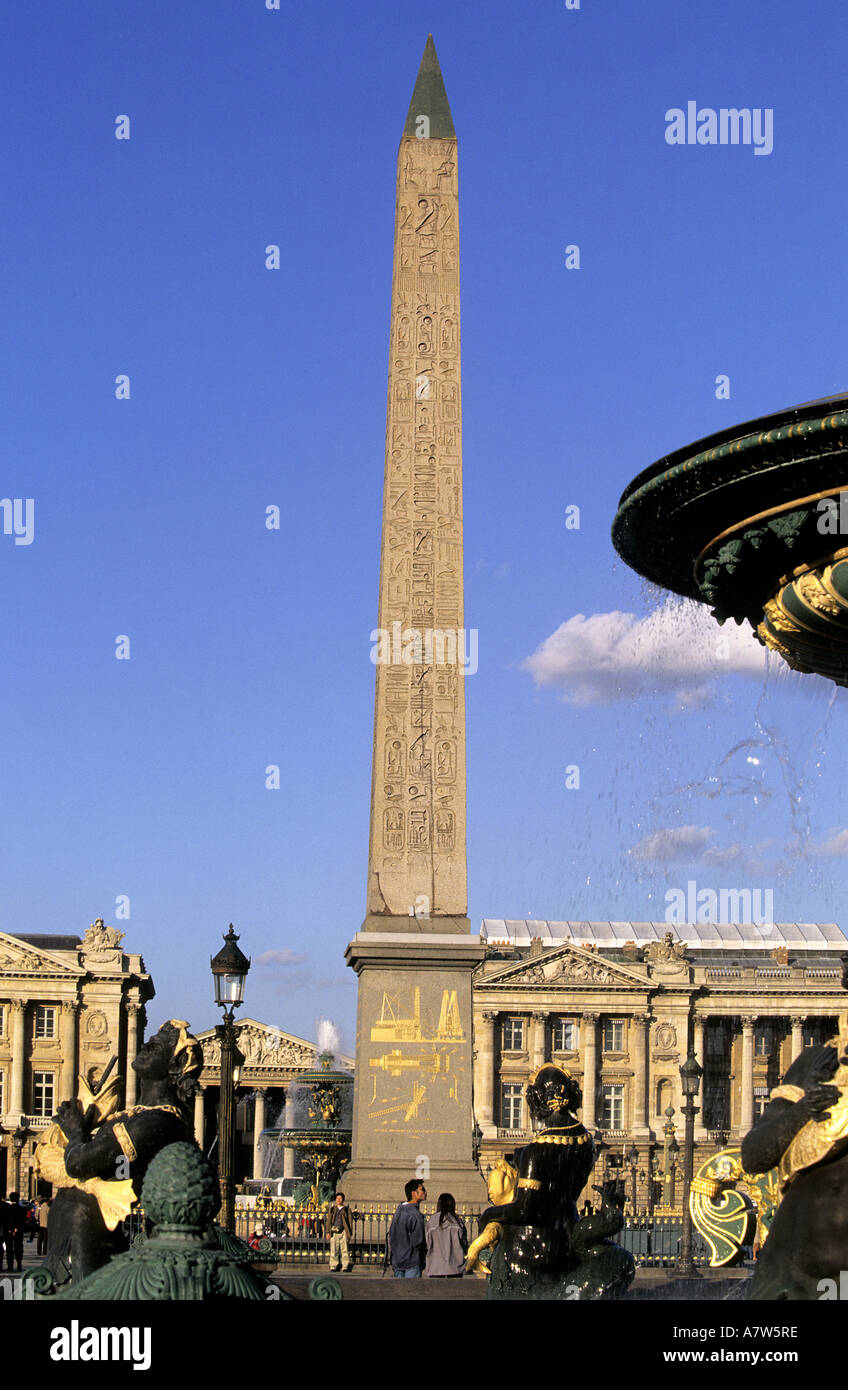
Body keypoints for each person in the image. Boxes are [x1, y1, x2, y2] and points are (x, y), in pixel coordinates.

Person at [36, 1018, 202, 1287]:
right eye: (149, 1042)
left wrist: (76, 1131)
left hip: (89, 1238)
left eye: (157, 1048)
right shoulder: (134, 1115)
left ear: (174, 1066)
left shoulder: (157, 1121)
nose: (147, 1046)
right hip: (78, 1233)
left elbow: (78, 1164)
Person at [388, 1178, 426, 1278]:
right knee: (411, 1291)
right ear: (414, 1193)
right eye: (422, 1189)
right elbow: (418, 1241)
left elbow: (392, 1235)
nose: (425, 1192)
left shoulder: (399, 1211)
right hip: (412, 1261)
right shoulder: (415, 1215)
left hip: (397, 1260)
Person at [424, 1192, 466, 1277]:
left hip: (435, 1267)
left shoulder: (432, 1221)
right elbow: (463, 1243)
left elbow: (428, 1243)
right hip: (455, 1267)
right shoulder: (457, 1221)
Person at [327, 1191, 353, 1272]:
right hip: (334, 1230)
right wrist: (328, 1232)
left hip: (343, 1231)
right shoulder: (332, 1209)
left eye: (340, 1198)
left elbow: (350, 1222)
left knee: (344, 1249)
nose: (338, 1200)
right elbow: (329, 1221)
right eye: (337, 1198)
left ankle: (345, 1266)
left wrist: (349, 1233)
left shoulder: (347, 1210)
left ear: (343, 1200)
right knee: (334, 1249)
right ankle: (333, 1266)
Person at [4, 1193, 25, 1272]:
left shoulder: (7, 1208)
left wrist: (11, 1229)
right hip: (19, 1231)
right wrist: (17, 1229)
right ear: (18, 1198)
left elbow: (7, 1220)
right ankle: (19, 1263)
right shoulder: (22, 1209)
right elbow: (23, 1221)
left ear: (10, 1199)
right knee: (18, 1247)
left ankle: (10, 1265)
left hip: (9, 1231)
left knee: (9, 1248)